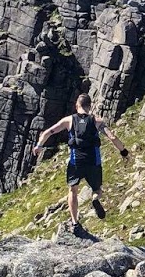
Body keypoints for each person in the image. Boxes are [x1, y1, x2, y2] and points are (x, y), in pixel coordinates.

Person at [33, 93, 129, 235]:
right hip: (93, 162)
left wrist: (39, 145)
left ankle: (75, 222)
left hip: (75, 162)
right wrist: (124, 152)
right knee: (97, 190)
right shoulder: (97, 121)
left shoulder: (68, 120)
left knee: (73, 190)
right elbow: (113, 137)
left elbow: (49, 132)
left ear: (77, 105)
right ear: (90, 106)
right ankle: (95, 199)